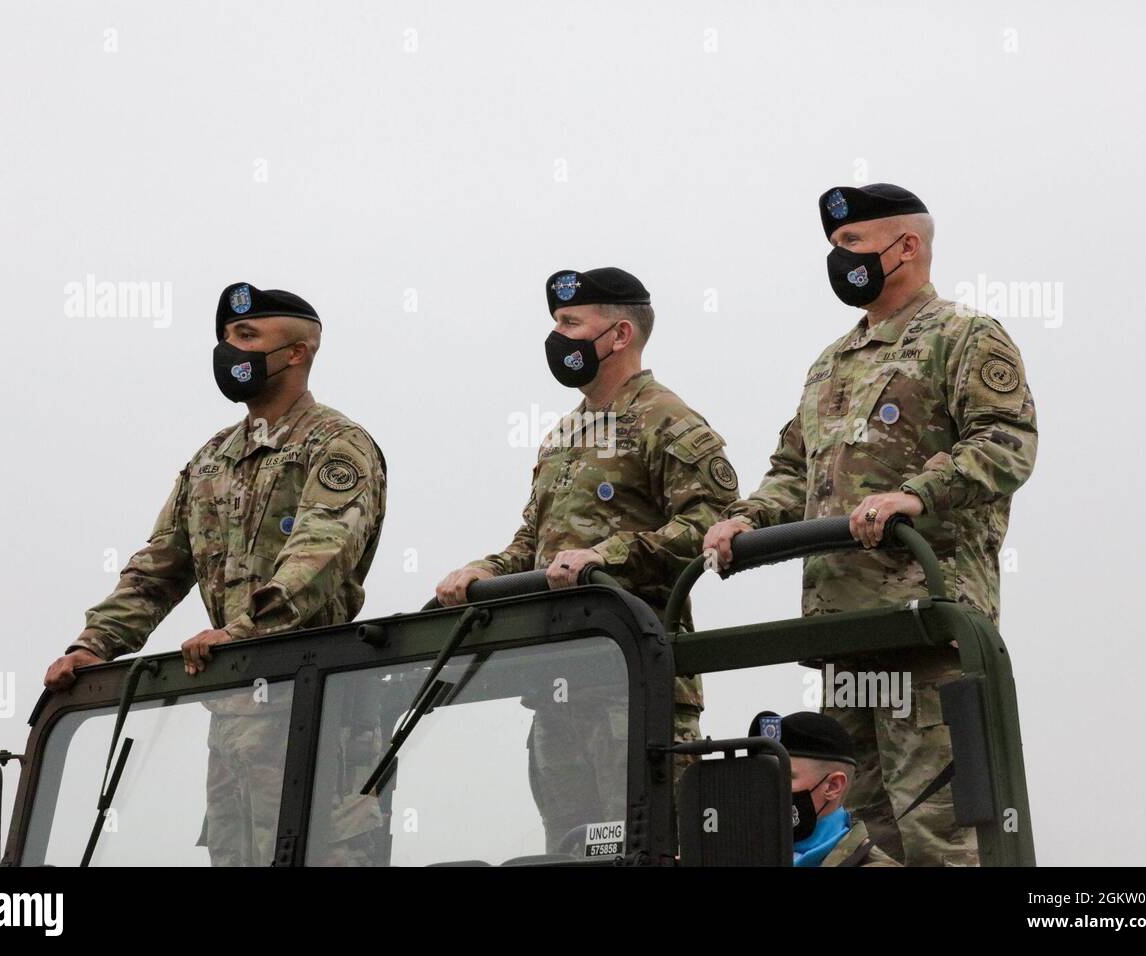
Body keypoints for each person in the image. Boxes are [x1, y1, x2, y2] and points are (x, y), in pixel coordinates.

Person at [705, 185, 1038, 866]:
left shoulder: (962, 335)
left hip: (923, 627)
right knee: (858, 838)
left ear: (906, 246)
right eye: (834, 248)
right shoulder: (831, 362)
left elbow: (1006, 442)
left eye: (851, 245)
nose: (839, 260)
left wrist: (916, 494)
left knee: (941, 834)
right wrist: (743, 519)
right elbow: (792, 471)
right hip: (843, 634)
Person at [43, 282, 388, 866]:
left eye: (247, 337)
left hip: (314, 710)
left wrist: (243, 630)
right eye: (226, 337)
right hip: (232, 716)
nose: (230, 351)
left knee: (319, 856)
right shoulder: (211, 459)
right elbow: (155, 571)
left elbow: (320, 557)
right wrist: (93, 645)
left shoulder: (336, 446)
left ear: (297, 353)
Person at [435, 267, 739, 851]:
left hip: (635, 682)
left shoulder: (668, 421)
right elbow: (533, 543)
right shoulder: (564, 436)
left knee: (646, 845)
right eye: (555, 323)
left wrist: (608, 555)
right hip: (559, 683)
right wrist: (485, 570)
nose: (558, 337)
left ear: (620, 335)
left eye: (571, 323)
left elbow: (711, 526)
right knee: (571, 851)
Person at [753, 711, 900, 867]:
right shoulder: (744, 852)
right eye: (764, 775)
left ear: (833, 786)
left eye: (783, 776)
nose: (767, 786)